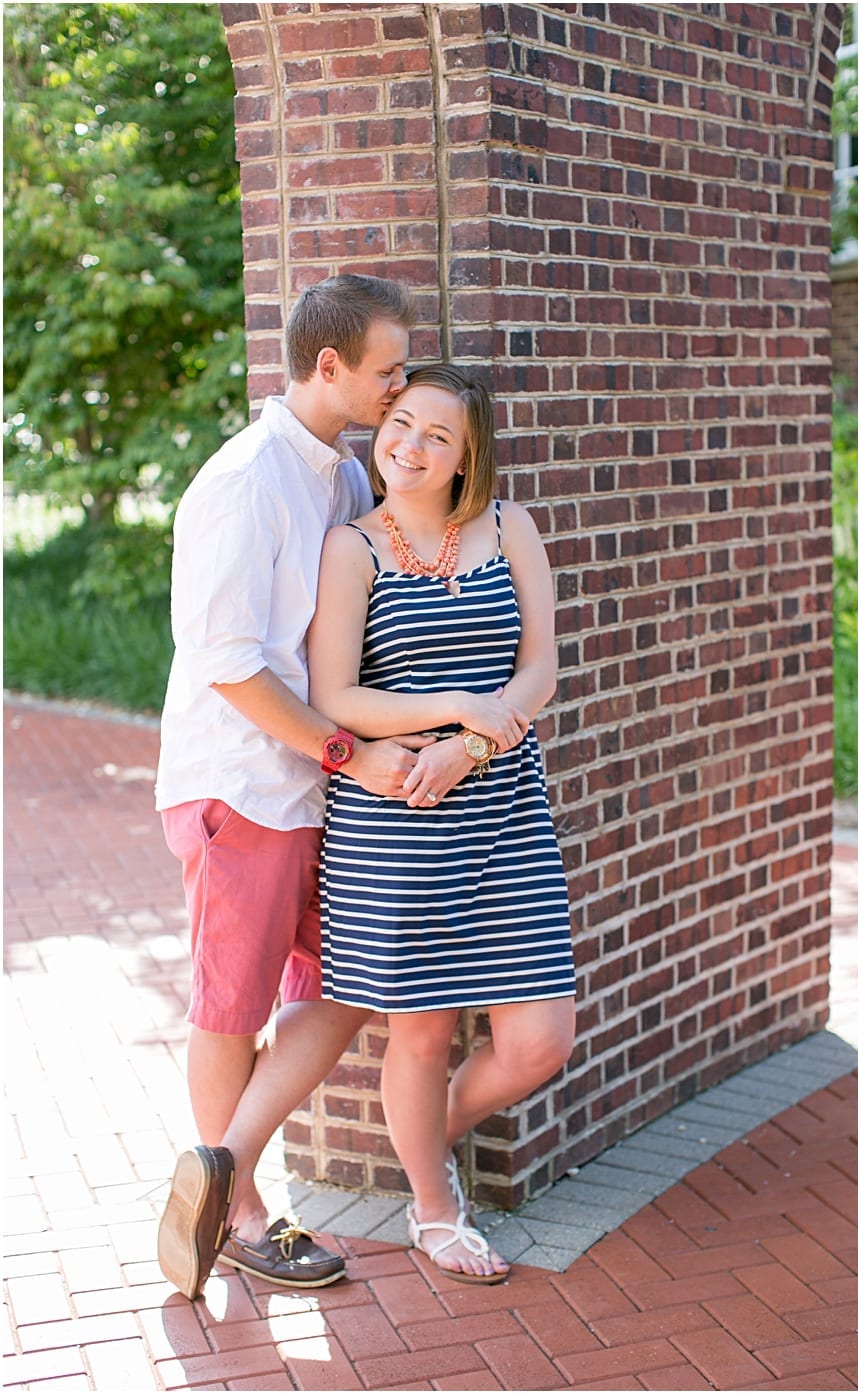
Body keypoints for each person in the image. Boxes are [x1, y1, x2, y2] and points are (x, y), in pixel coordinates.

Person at [153, 275, 497, 1299]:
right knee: (232, 1005)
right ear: (330, 364)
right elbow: (227, 663)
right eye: (388, 369)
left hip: (314, 789)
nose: (400, 386)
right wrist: (349, 754)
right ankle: (239, 1215)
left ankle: (220, 1174)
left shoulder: (343, 476)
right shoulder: (245, 480)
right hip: (242, 788)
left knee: (342, 987)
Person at [307, 364, 577, 1284]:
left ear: (467, 458)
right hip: (400, 815)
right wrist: (459, 706)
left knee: (539, 1041)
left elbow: (539, 671)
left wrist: (473, 744)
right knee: (420, 1034)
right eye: (401, 423)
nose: (409, 447)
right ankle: (433, 1209)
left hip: (502, 805)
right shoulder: (351, 548)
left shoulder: (507, 527)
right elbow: (335, 696)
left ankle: (423, 1138)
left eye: (437, 437)